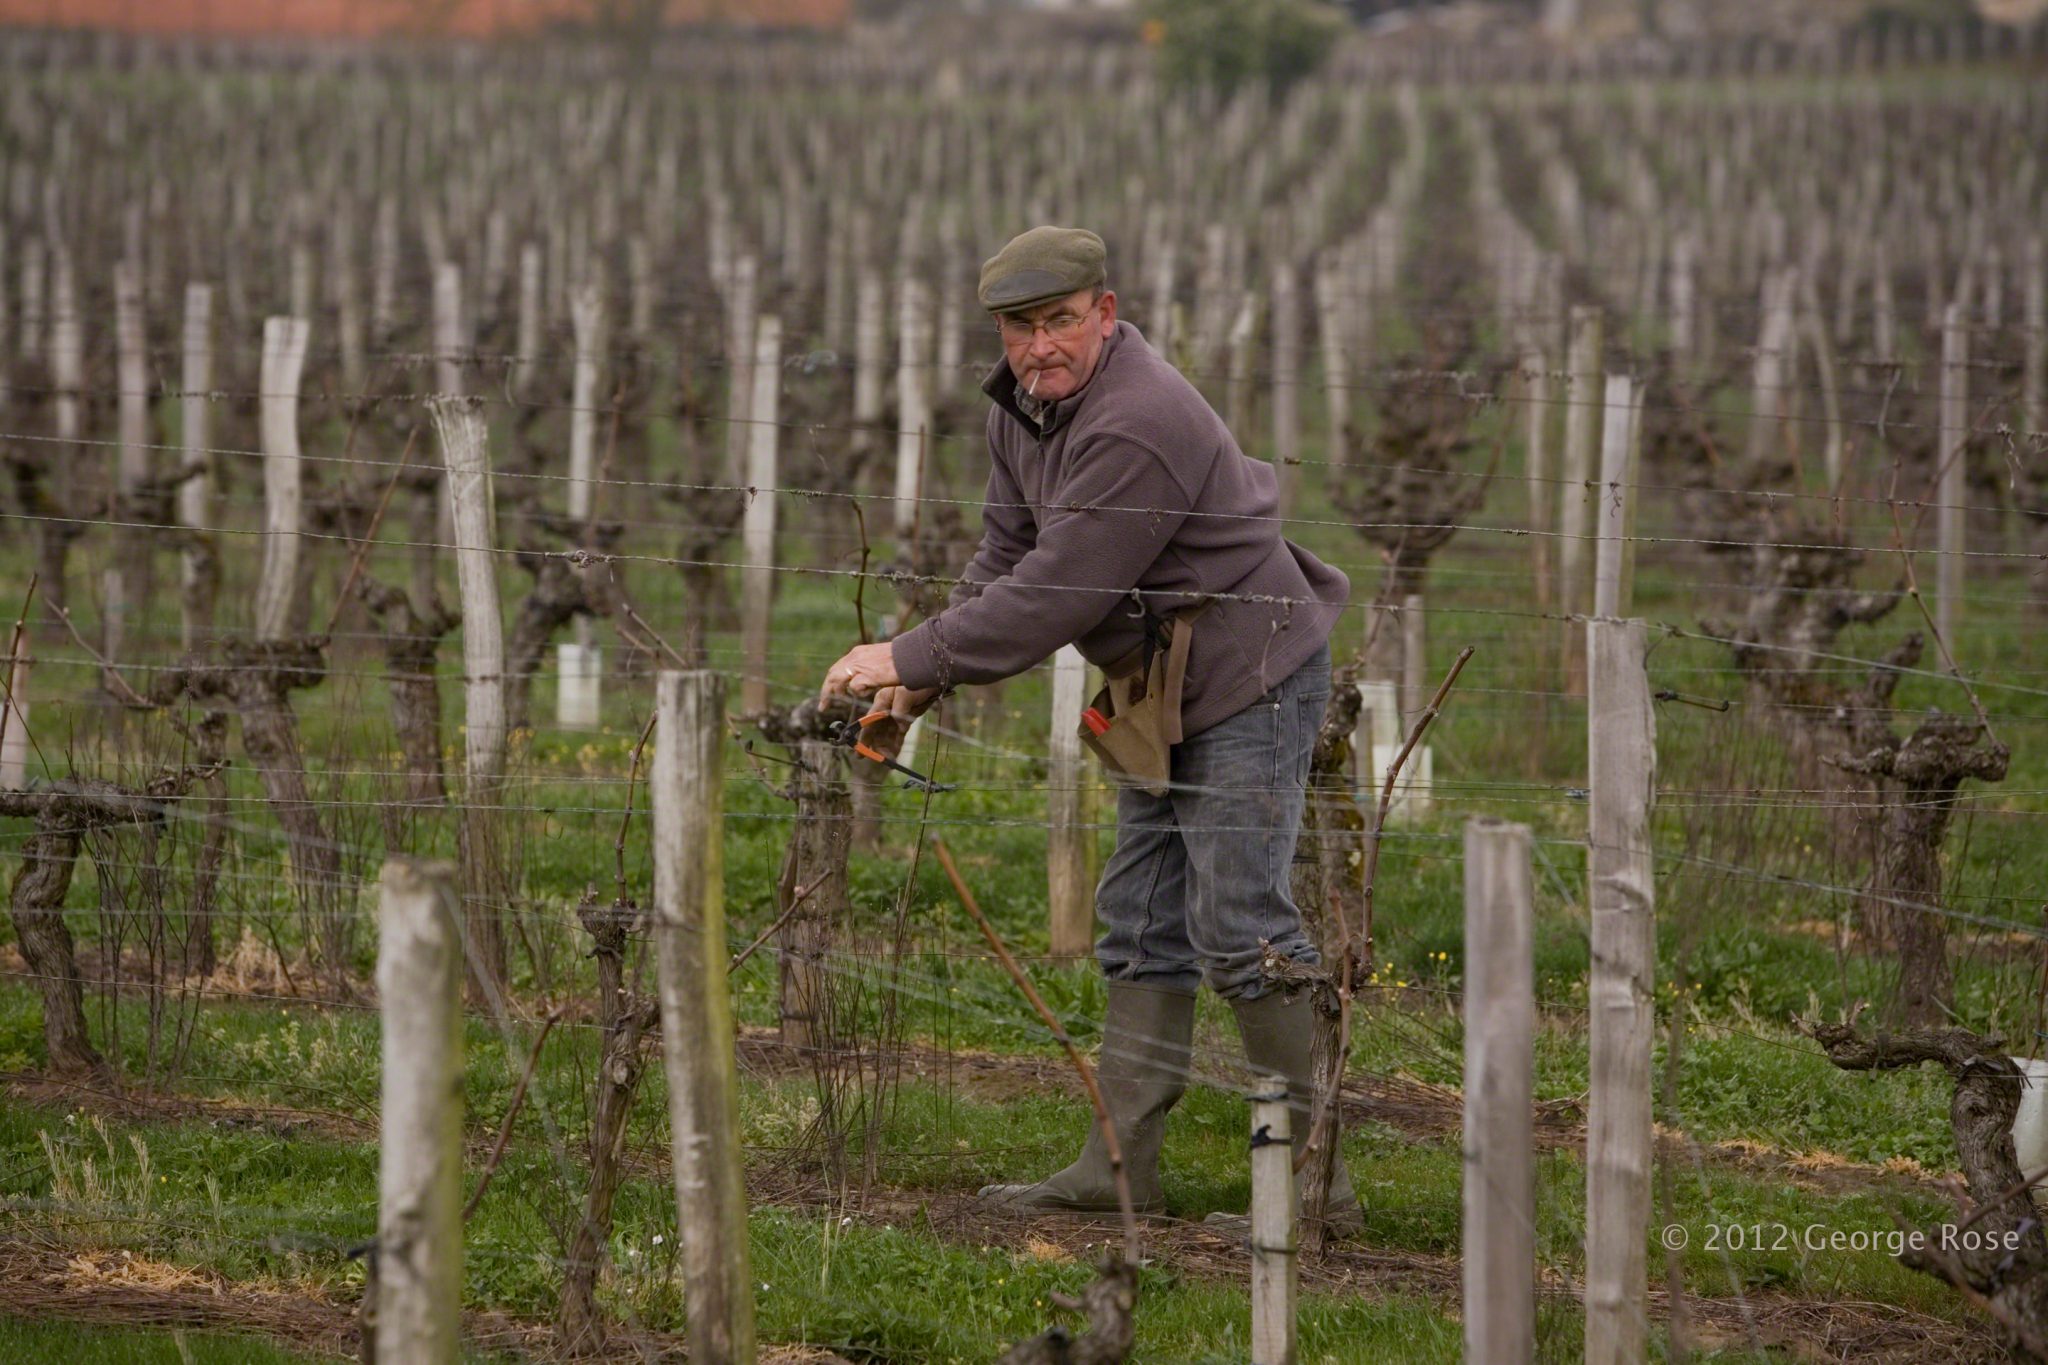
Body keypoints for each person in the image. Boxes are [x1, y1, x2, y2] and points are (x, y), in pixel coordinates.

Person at [818, 225, 1358, 1230]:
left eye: (1058, 321)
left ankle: (1312, 1188)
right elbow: (1006, 552)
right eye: (1018, 327)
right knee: (1140, 922)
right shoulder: (1021, 408)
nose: (1038, 346)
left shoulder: (1135, 418)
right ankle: (1117, 1174)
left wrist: (904, 656)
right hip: (1160, 676)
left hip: (1251, 669)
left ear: (1103, 313)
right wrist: (924, 682)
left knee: (1239, 922)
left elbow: (1060, 592)